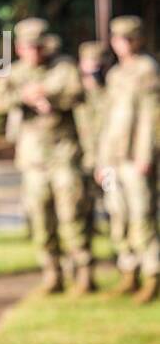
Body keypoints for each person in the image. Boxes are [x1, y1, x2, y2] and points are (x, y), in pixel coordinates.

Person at [0, 18, 91, 294]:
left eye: (38, 47)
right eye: (28, 47)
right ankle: (52, 273)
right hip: (33, 159)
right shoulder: (13, 73)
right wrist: (23, 96)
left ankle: (83, 272)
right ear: (20, 49)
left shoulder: (63, 67)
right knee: (41, 218)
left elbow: (77, 93)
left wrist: (48, 94)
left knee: (72, 214)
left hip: (63, 154)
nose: (34, 53)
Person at [97, 16, 160, 303]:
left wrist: (145, 156)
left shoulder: (147, 70)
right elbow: (107, 120)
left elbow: (151, 117)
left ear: (137, 39)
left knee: (141, 216)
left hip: (135, 158)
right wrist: (101, 160)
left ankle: (152, 274)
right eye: (117, 38)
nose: (121, 43)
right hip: (113, 158)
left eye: (127, 38)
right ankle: (128, 270)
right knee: (117, 213)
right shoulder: (115, 75)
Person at [75, 41, 109, 246]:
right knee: (79, 215)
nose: (93, 68)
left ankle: (125, 264)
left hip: (110, 163)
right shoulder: (74, 92)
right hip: (81, 162)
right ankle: (82, 269)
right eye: (89, 62)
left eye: (98, 63)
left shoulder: (114, 90)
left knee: (116, 211)